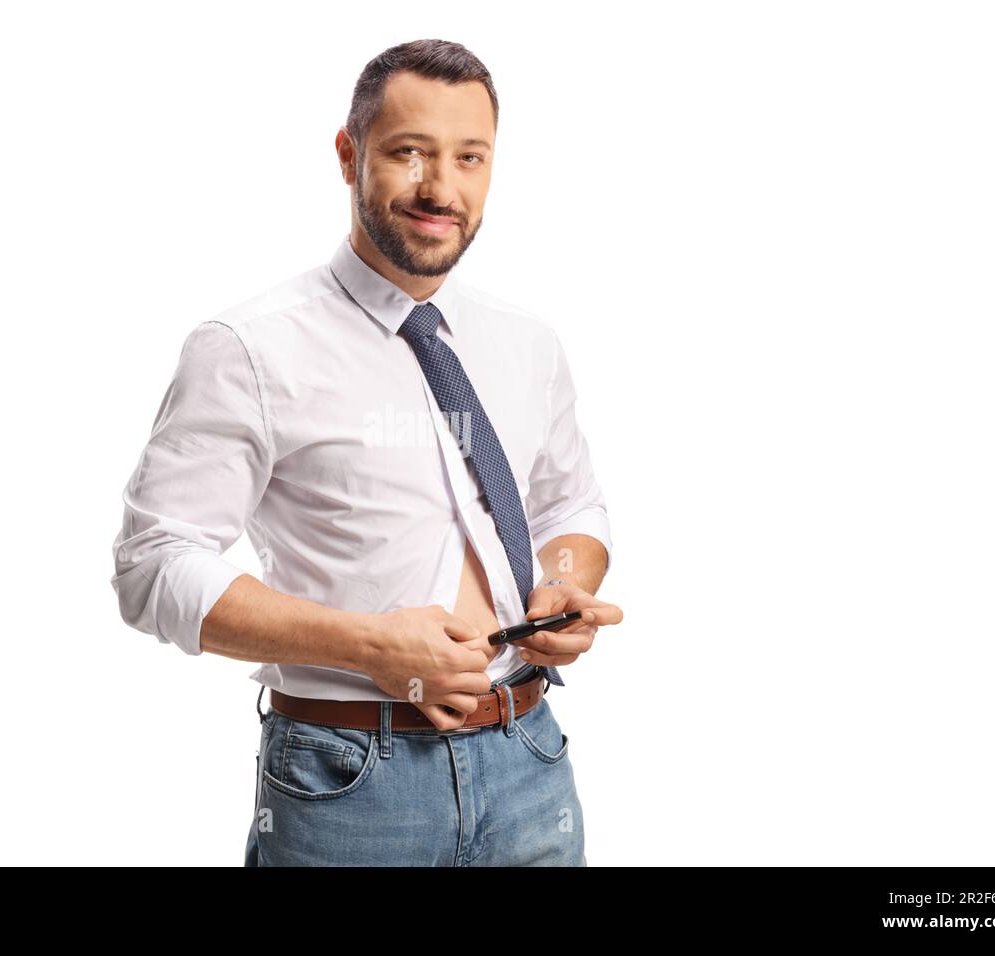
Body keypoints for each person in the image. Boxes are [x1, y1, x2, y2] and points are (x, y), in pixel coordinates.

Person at [110, 38, 623, 866]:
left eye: (469, 158)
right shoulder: (247, 347)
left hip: (531, 760)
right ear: (349, 155)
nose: (440, 188)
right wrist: (367, 645)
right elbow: (153, 565)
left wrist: (565, 582)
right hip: (350, 784)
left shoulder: (526, 343)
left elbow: (572, 505)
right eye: (408, 153)